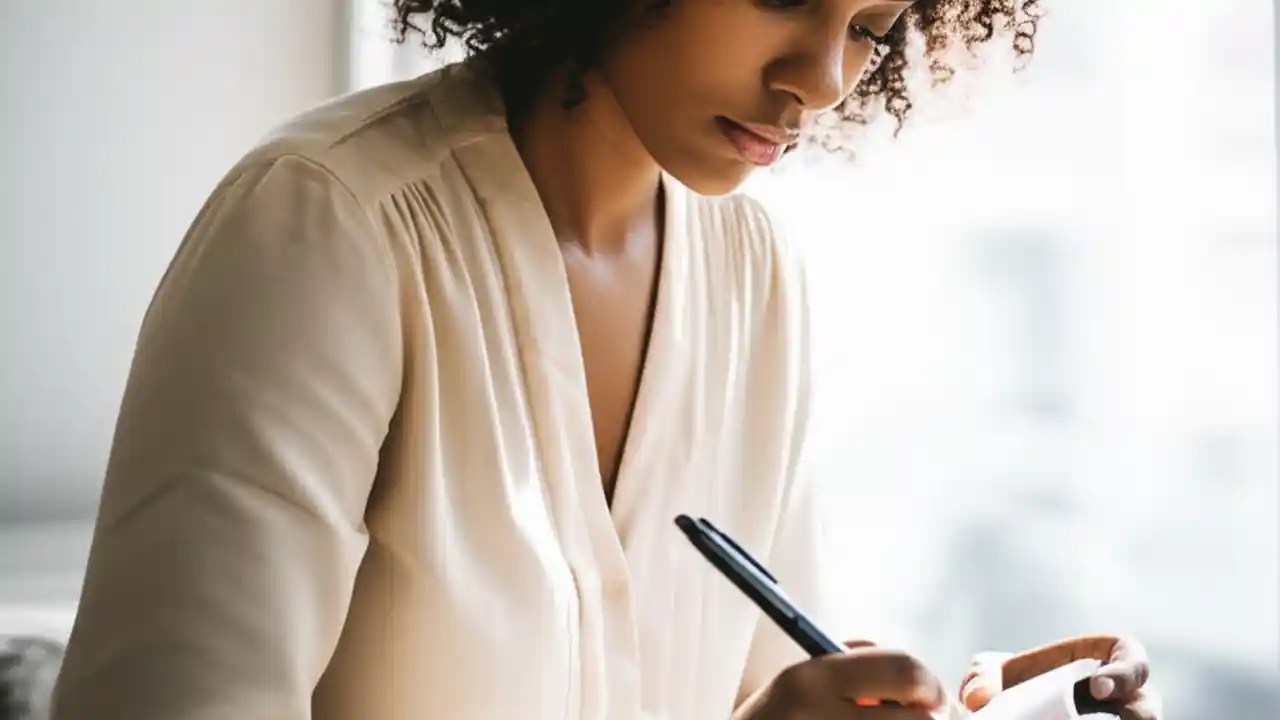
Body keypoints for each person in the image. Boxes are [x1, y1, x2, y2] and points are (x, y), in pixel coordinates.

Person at [50, 1, 1162, 718]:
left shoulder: (754, 273)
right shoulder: (330, 226)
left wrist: (949, 701)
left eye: (869, 23)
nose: (824, 77)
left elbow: (757, 685)